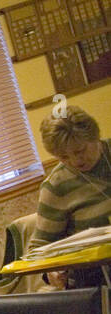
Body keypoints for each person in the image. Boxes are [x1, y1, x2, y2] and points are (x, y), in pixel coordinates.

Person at [29, 106, 111, 289]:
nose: (76, 161)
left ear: (95, 136)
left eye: (80, 151)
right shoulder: (57, 186)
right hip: (97, 278)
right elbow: (38, 248)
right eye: (64, 157)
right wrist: (50, 271)